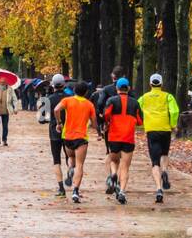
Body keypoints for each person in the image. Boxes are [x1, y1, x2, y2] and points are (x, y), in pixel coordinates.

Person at [100, 77, 148, 204]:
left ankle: (114, 174)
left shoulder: (111, 100)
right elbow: (140, 121)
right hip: (128, 138)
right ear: (129, 88)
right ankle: (122, 191)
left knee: (113, 160)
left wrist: (108, 122)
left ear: (117, 88)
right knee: (125, 166)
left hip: (114, 137)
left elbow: (106, 115)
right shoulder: (135, 103)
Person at [54, 81, 96, 203]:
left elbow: (56, 109)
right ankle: (75, 191)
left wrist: (59, 123)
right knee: (80, 164)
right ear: (86, 92)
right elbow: (94, 123)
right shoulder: (89, 104)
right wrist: (95, 128)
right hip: (81, 137)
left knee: (70, 157)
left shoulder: (67, 101)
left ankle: (70, 168)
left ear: (74, 90)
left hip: (67, 136)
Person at [138, 73, 180, 195]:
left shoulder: (144, 97)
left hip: (151, 129)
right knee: (164, 153)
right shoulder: (168, 97)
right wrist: (173, 125)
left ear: (150, 84)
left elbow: (136, 108)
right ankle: (165, 171)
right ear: (161, 84)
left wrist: (140, 120)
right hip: (165, 129)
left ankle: (158, 188)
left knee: (155, 161)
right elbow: (174, 111)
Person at [93, 66, 125, 196]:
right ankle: (120, 181)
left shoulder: (106, 90)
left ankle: (112, 176)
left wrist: (102, 119)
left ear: (113, 76)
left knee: (111, 153)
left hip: (110, 125)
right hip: (126, 125)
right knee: (124, 156)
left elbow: (100, 104)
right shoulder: (128, 90)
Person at [45, 74, 72, 195]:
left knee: (56, 159)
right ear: (64, 84)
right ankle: (71, 170)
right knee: (69, 156)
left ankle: (61, 188)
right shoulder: (71, 98)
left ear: (53, 85)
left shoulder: (48, 99)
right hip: (69, 131)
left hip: (54, 131)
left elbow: (42, 119)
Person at [0, 79, 16, 145]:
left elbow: (14, 99)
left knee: (5, 126)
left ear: (6, 81)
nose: (2, 83)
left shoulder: (10, 89)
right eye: (1, 82)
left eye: (4, 82)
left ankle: (4, 140)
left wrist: (15, 108)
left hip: (6, 109)